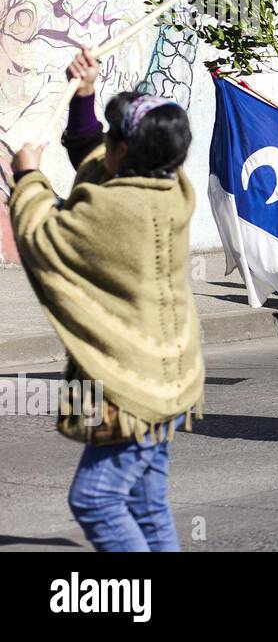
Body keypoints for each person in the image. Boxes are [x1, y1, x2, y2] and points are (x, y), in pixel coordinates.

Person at [8, 47, 203, 552]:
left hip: (132, 389)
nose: (105, 143)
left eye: (113, 136)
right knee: (146, 502)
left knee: (95, 500)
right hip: (168, 377)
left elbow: (42, 238)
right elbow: (95, 160)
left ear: (125, 152)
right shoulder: (171, 187)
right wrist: (86, 96)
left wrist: (28, 178)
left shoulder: (118, 211)